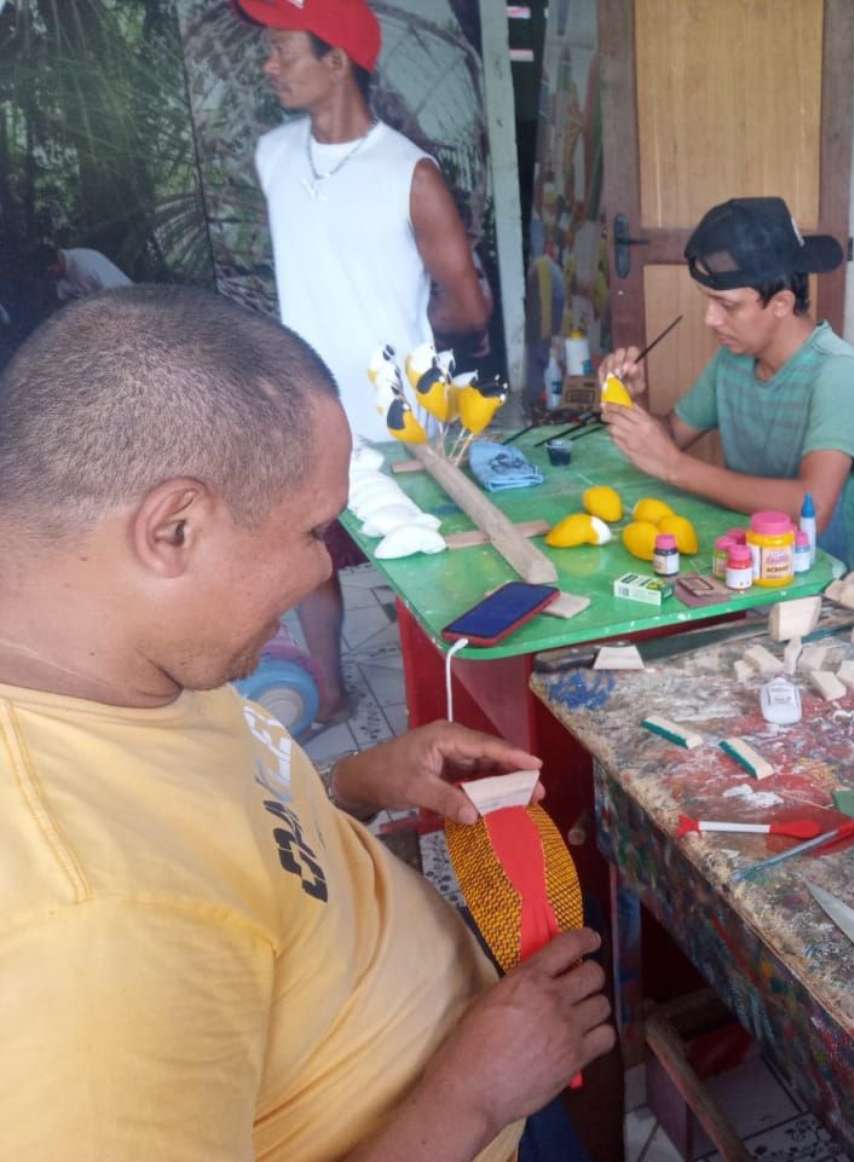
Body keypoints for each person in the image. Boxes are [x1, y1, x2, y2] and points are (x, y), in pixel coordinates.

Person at [0, 287, 613, 1160]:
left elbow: (215, 830)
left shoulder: (118, 653)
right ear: (173, 530)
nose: (326, 567)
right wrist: (472, 1095)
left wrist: (348, 789)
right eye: (315, 532)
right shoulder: (89, 931)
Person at [241, 0, 492, 724]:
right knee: (307, 548)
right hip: (310, 403)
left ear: (337, 60)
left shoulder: (409, 176)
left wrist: (404, 333)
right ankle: (333, 691)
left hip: (401, 409)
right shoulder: (275, 157)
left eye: (283, 49)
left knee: (419, 555)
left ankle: (441, 708)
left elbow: (469, 308)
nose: (270, 64)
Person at [598, 197, 854, 572]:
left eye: (726, 306)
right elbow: (670, 437)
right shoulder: (733, 360)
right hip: (749, 562)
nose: (709, 319)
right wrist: (628, 405)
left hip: (827, 583)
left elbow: (810, 507)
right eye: (708, 301)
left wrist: (676, 468)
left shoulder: (837, 373)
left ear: (780, 303)